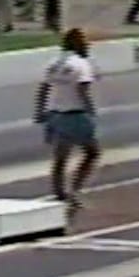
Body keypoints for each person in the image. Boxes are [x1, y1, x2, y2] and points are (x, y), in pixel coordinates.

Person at [33, 27, 100, 215]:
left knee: (60, 158)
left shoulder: (54, 63)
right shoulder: (81, 64)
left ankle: (59, 193)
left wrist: (39, 110)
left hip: (55, 114)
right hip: (75, 114)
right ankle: (74, 191)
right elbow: (83, 90)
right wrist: (91, 111)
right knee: (92, 152)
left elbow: (44, 88)